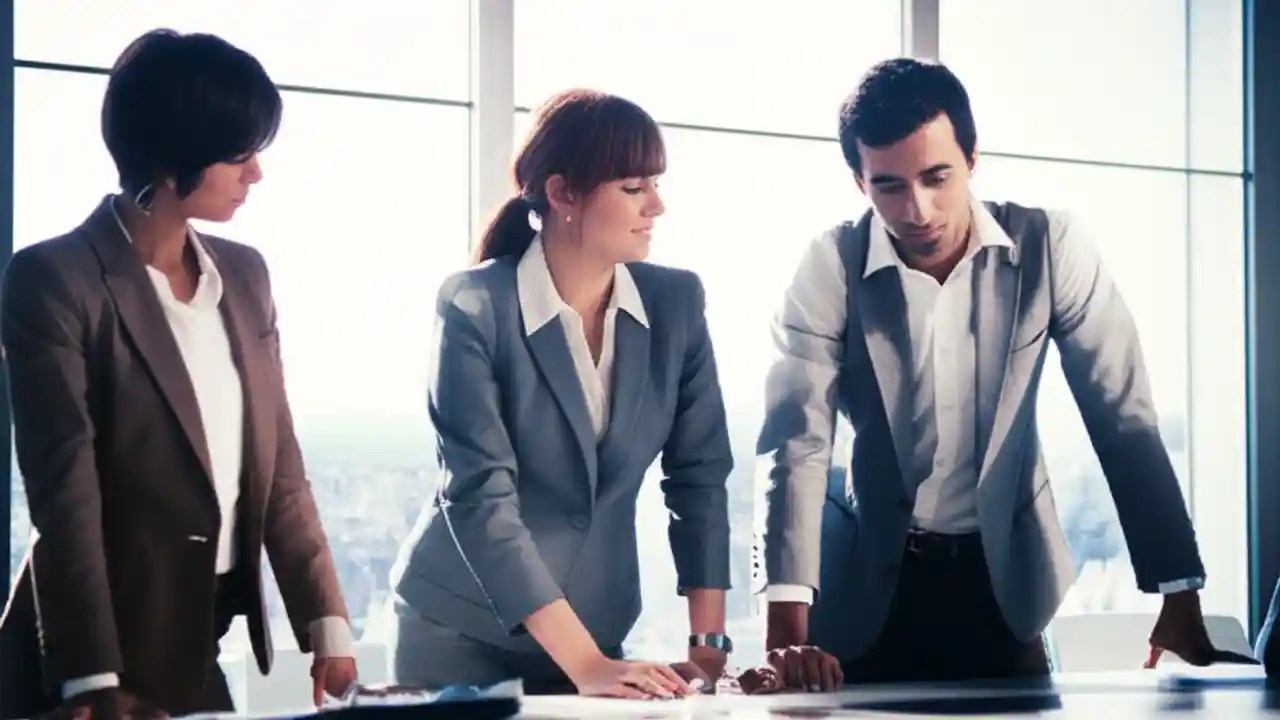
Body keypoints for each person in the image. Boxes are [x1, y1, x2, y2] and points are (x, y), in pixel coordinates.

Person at [755, 57, 1219, 690]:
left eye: (937, 176)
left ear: (973, 158)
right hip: (863, 586)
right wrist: (786, 631)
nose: (917, 209)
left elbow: (1121, 417)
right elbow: (795, 440)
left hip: (1004, 582)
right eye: (889, 185)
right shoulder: (831, 263)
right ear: (859, 182)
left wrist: (1178, 592)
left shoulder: (1052, 247)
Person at [0, 29, 357, 718]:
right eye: (239, 155)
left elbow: (279, 465)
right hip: (87, 662)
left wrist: (328, 629)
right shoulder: (55, 279)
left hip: (197, 642)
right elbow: (63, 495)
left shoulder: (246, 274)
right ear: (173, 161)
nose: (256, 175)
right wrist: (89, 680)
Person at [387, 88, 733, 698]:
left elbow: (699, 476)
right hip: (459, 631)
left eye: (655, 183)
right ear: (562, 192)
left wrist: (707, 650)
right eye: (633, 187)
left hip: (596, 630)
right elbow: (481, 498)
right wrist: (588, 666)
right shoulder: (475, 305)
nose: (657, 205)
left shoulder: (677, 303)